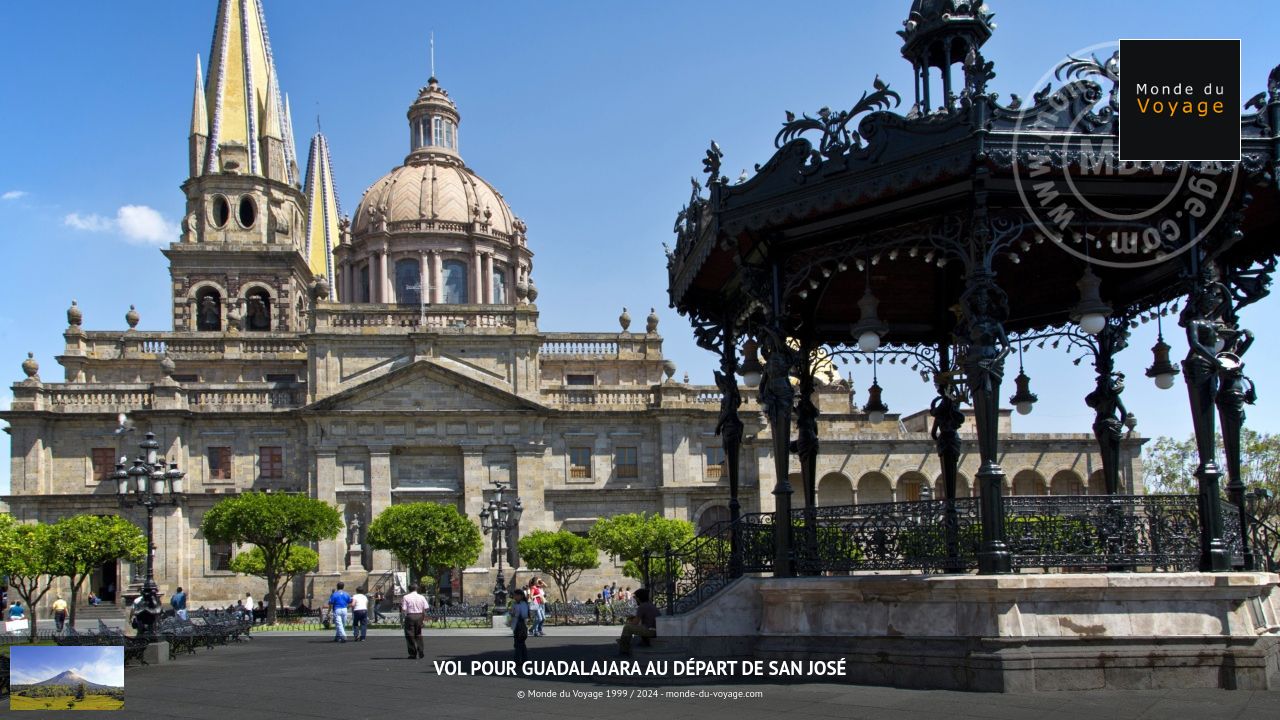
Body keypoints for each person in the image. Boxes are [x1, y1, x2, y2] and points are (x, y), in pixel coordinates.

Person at [617, 588, 658, 655]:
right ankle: (625, 642)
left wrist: (629, 621)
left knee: (627, 627)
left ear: (639, 598)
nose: (635, 599)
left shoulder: (642, 607)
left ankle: (624, 649)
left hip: (651, 631)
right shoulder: (650, 605)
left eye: (635, 598)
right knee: (631, 625)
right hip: (654, 629)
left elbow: (635, 622)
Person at [401, 583, 428, 659]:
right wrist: (423, 617)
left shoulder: (406, 597)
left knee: (410, 635)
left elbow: (404, 609)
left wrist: (403, 618)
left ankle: (413, 653)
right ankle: (421, 650)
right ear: (417, 589)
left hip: (410, 616)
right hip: (419, 615)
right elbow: (426, 607)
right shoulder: (421, 597)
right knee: (419, 633)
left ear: (409, 589)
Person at [509, 589, 530, 670]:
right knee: (520, 644)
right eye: (514, 595)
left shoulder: (523, 604)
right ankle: (524, 660)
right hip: (516, 625)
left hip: (521, 625)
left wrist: (514, 613)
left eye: (516, 595)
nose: (514, 597)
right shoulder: (515, 603)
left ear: (520, 596)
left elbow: (524, 615)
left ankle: (517, 661)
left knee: (519, 644)